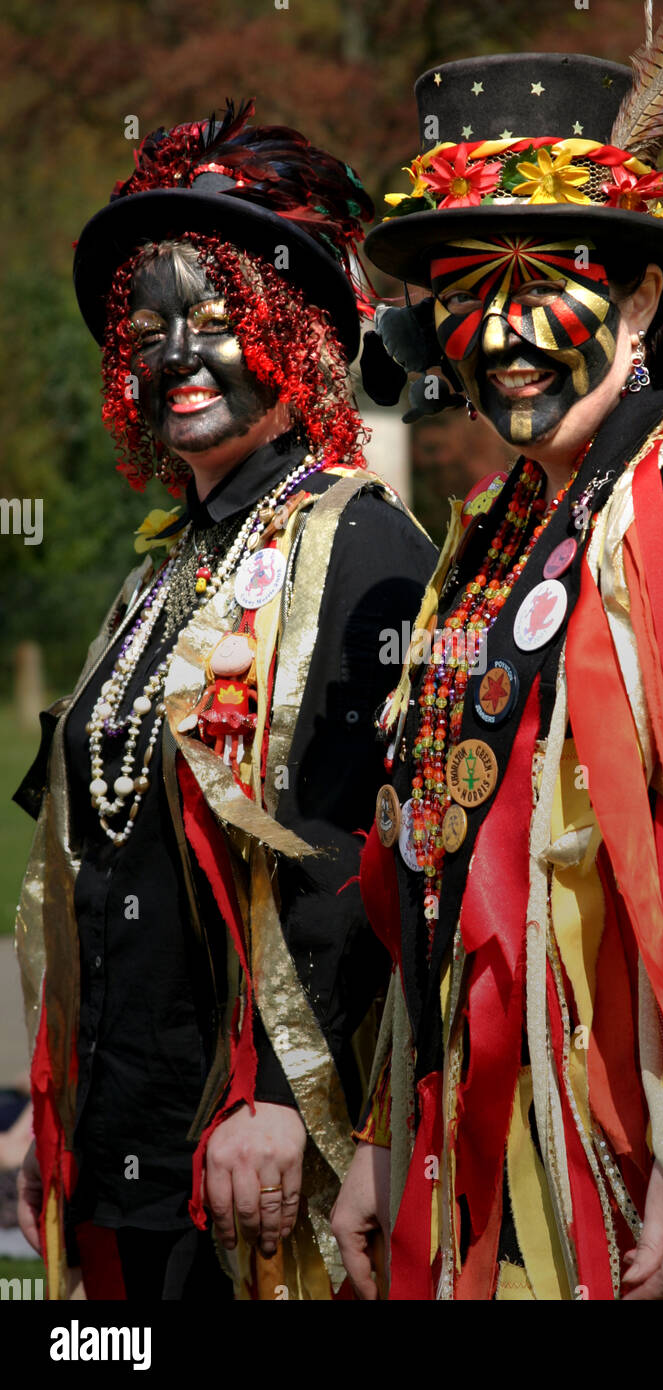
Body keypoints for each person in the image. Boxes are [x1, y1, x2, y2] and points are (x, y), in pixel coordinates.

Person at [331, 46, 663, 1301]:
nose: (504, 335)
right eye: (467, 293)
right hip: (498, 1149)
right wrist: (388, 1131)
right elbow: (441, 859)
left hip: (652, 1166)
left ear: (630, 300)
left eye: (544, 287)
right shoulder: (502, 523)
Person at [13, 100, 436, 1301]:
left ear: (296, 335)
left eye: (217, 321)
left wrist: (276, 1099)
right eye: (148, 330)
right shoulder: (170, 562)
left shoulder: (366, 552)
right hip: (121, 1151)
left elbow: (365, 850)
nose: (175, 357)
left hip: (251, 1167)